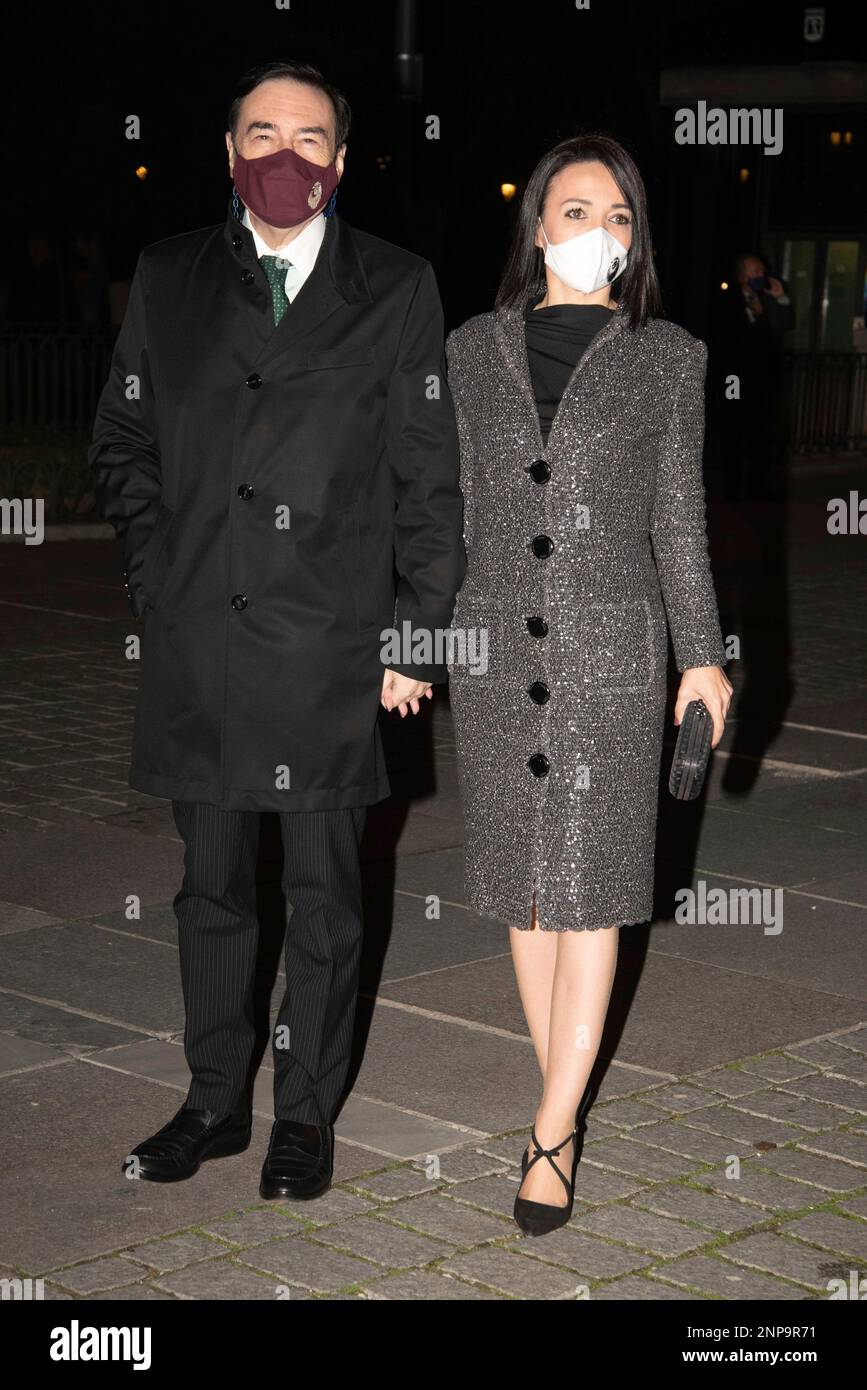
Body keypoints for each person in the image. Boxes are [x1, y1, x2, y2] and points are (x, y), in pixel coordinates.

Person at [90, 60, 465, 1200]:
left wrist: (415, 636)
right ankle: (214, 1103)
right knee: (211, 890)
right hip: (201, 651)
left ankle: (303, 1114)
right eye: (263, 133)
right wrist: (161, 576)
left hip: (331, 656)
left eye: (310, 138)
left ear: (342, 162)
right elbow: (122, 445)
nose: (285, 157)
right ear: (228, 148)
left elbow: (430, 484)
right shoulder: (169, 277)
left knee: (324, 900)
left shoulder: (397, 288)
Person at [445, 133, 732, 1236]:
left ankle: (552, 1130)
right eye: (575, 211)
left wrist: (702, 655)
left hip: (615, 654)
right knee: (524, 890)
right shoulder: (471, 349)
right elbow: (457, 507)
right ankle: (558, 1097)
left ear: (636, 238)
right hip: (496, 652)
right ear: (536, 226)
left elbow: (679, 522)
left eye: (619, 217)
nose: (597, 233)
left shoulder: (671, 357)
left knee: (596, 889)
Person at [712, 251, 794, 499]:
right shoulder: (728, 298)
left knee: (762, 429)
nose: (761, 276)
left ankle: (758, 484)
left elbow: (785, 325)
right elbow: (724, 334)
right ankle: (731, 484)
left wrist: (779, 300)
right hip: (734, 378)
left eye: (762, 271)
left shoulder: (768, 298)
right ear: (742, 276)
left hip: (762, 378)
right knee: (734, 426)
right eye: (755, 272)